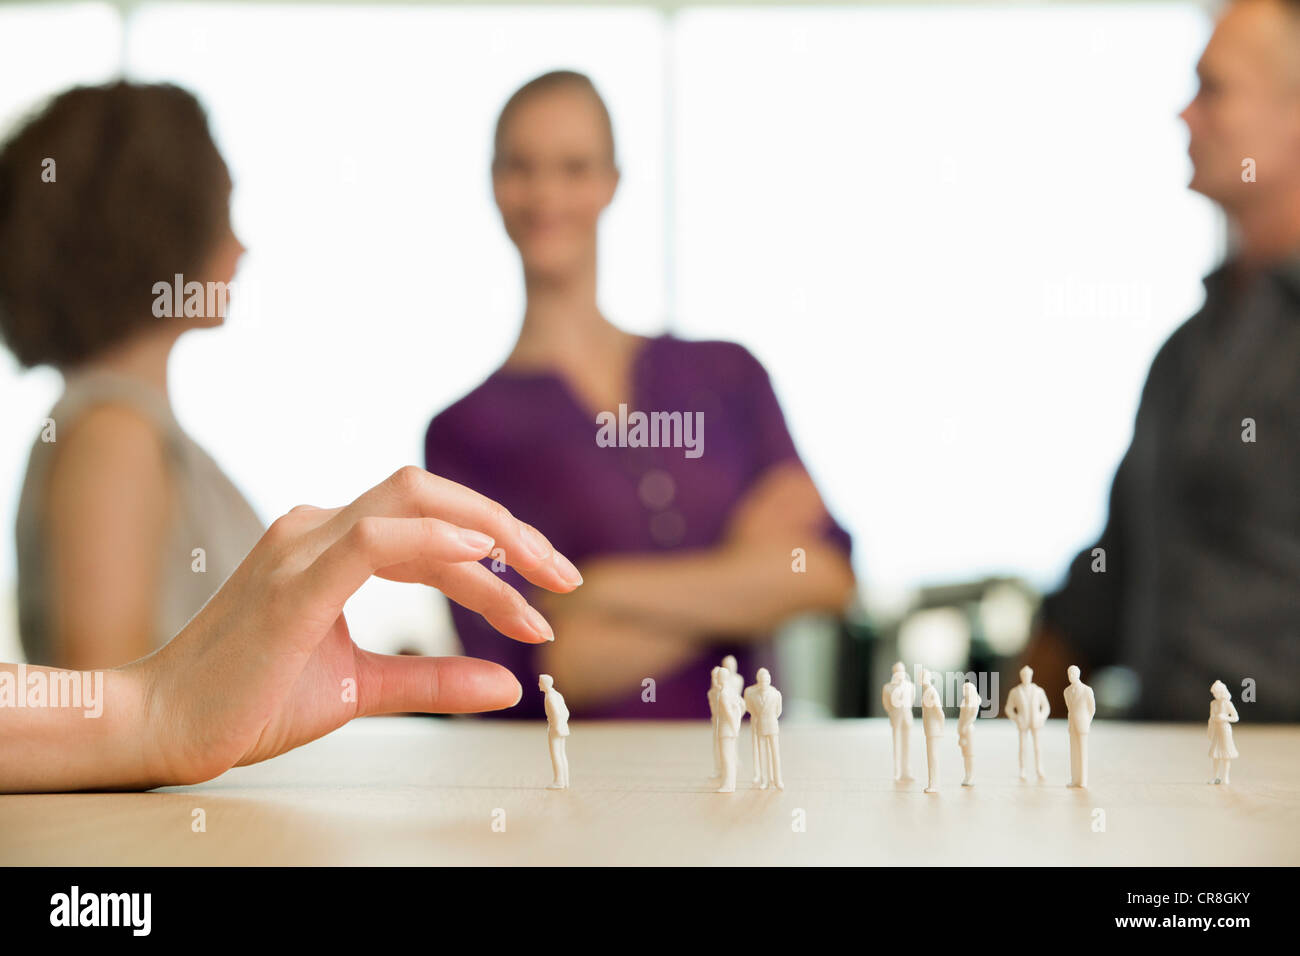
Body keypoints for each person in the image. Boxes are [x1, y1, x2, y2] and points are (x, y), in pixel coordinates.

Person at [424, 70, 855, 719]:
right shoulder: (466, 433)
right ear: (494, 183)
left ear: (611, 181)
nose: (547, 193)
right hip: (584, 805)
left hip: (749, 787)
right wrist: (744, 578)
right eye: (523, 167)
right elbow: (536, 672)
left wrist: (596, 590)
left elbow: (823, 575)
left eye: (574, 167)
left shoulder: (727, 375)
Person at [1024, 0, 1300, 721]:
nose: (1186, 116)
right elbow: (1106, 584)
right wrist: (999, 734)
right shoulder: (1186, 351)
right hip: (1168, 787)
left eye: (1214, 89)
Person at [0, 467, 582, 793]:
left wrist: (155, 713)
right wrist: (154, 710)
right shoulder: (112, 431)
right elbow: (92, 651)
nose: (242, 246)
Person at [0, 82, 264, 669]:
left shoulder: (120, 427)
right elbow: (99, 708)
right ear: (161, 228)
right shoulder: (112, 436)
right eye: (223, 212)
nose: (241, 247)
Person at [1005, 665, 1050, 781]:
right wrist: (1016, 718)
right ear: (1021, 676)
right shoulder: (1015, 692)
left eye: (1028, 675)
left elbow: (1046, 707)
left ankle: (1039, 768)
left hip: (1036, 722)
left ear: (1031, 675)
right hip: (1023, 723)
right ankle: (1022, 769)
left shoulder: (1039, 691)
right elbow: (1008, 709)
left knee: (1037, 747)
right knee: (1022, 747)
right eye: (1024, 675)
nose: (1026, 677)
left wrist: (1041, 717)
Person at [1063, 665, 1096, 788]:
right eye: (1069, 674)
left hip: (1083, 724)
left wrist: (1087, 721)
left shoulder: (1087, 690)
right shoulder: (1066, 691)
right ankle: (1075, 779)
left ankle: (1083, 780)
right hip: (1072, 724)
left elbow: (1092, 708)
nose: (1071, 676)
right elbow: (1069, 708)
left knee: (1082, 752)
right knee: (1074, 752)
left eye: (1073, 674)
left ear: (1079, 674)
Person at [540, 673, 571, 789]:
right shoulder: (557, 694)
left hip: (555, 728)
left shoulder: (550, 697)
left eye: (540, 682)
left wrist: (556, 725)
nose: (538, 684)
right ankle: (565, 781)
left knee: (556, 754)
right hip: (562, 727)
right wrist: (563, 724)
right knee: (562, 754)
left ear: (544, 683)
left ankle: (559, 781)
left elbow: (556, 713)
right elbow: (566, 712)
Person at [1207, 679, 1240, 785]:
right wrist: (1211, 724)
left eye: (1216, 693)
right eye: (1213, 693)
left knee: (1226, 754)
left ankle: (1225, 777)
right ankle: (1215, 777)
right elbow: (1211, 716)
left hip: (1225, 730)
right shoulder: (1213, 703)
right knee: (1216, 755)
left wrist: (1225, 717)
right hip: (1216, 730)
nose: (1215, 695)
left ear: (1221, 692)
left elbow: (1235, 717)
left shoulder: (1228, 704)